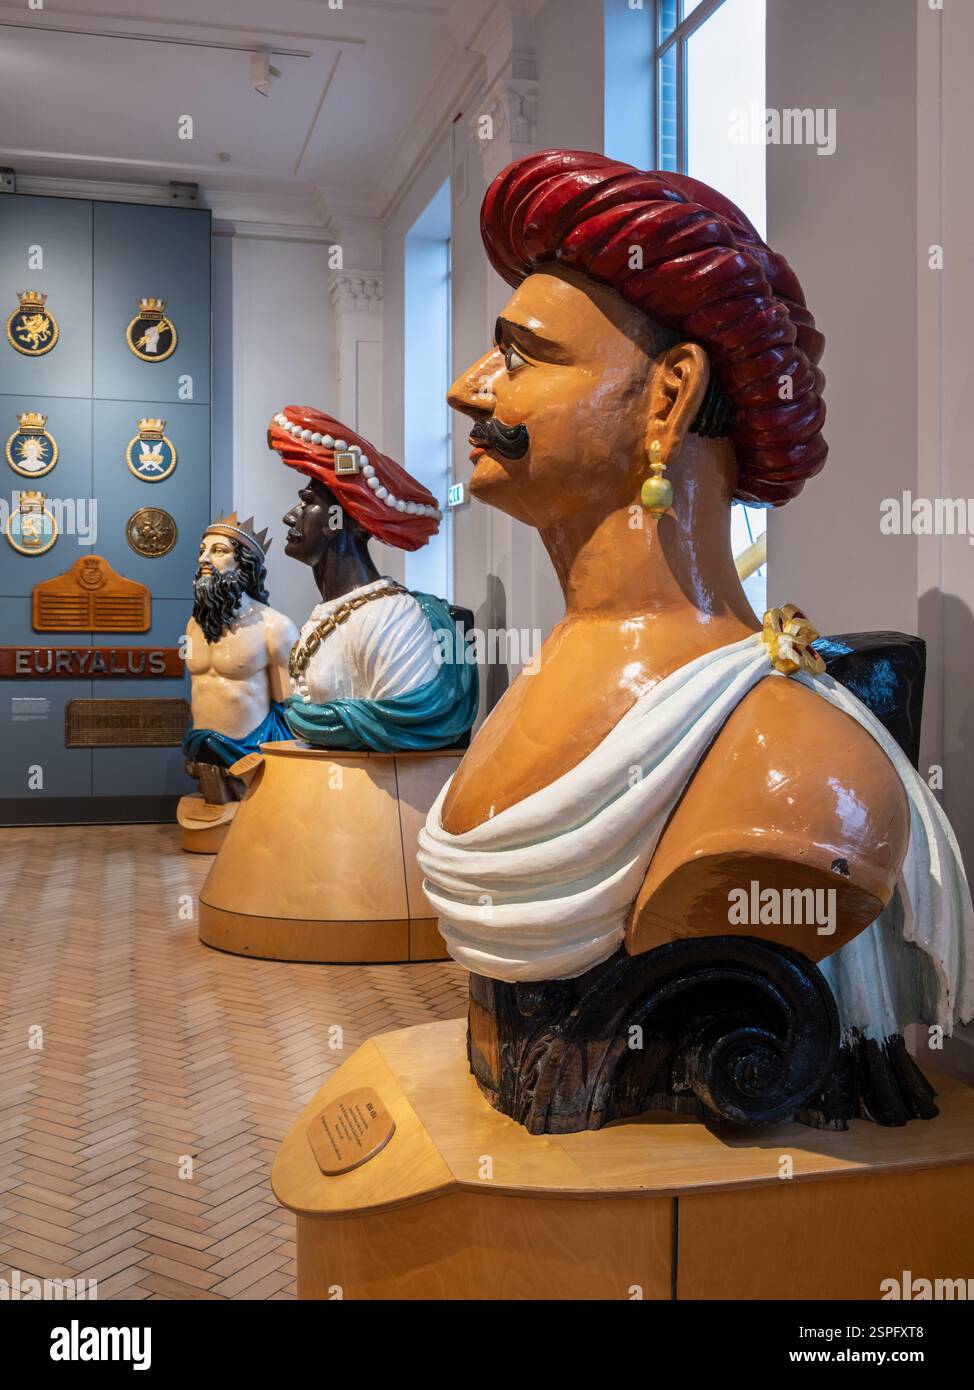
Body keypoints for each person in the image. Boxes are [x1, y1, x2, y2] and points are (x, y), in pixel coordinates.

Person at [418, 150, 973, 1120]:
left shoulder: (787, 770)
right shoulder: (553, 684)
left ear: (668, 397)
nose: (470, 389)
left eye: (520, 355)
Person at [268, 406, 478, 750]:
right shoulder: (332, 615)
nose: (290, 517)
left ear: (338, 520)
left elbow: (402, 739)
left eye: (306, 503)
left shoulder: (389, 619)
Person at [182, 513, 296, 801]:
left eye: (218, 551)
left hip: (251, 757)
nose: (203, 559)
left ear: (244, 565)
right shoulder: (194, 624)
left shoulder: (275, 626)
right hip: (201, 751)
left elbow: (289, 706)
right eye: (202, 550)